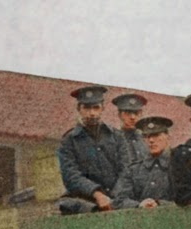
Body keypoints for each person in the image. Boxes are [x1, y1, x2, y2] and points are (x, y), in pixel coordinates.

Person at [56, 85, 130, 214]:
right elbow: (71, 176)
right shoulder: (69, 141)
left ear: (102, 108)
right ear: (78, 109)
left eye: (96, 107)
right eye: (86, 108)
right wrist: (97, 194)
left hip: (117, 198)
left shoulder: (117, 136)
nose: (92, 113)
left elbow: (126, 169)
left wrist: (114, 197)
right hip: (86, 201)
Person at [113, 116, 176, 209]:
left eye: (156, 135)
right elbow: (118, 200)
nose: (151, 140)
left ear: (167, 136)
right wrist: (139, 205)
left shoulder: (179, 166)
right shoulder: (133, 170)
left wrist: (160, 204)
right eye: (147, 136)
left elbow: (188, 198)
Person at [111, 93, 150, 164]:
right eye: (128, 113)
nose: (133, 117)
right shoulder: (113, 140)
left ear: (141, 114)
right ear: (119, 115)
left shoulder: (149, 140)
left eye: (136, 113)